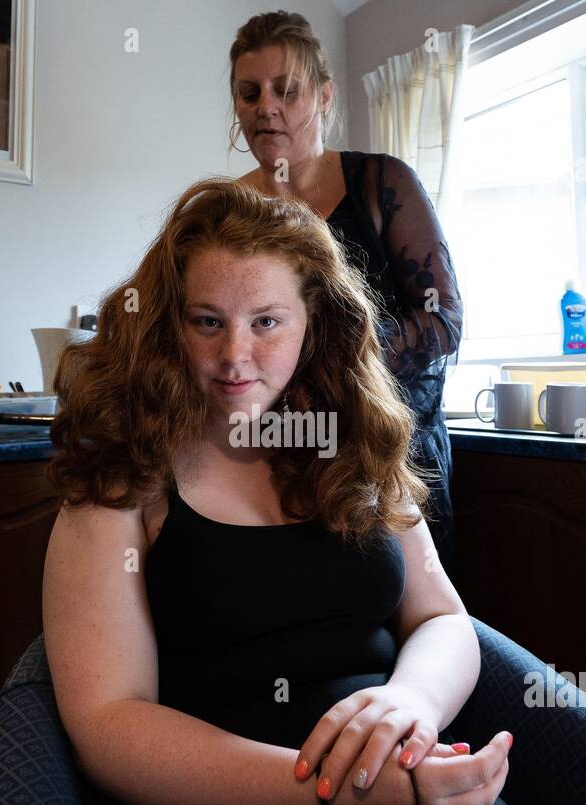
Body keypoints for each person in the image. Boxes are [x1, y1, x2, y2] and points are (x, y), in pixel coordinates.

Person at [41, 176, 586, 805]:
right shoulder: (123, 476)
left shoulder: (349, 444)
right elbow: (110, 724)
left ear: (314, 324)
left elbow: (442, 619)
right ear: (168, 323)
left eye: (266, 322)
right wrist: (343, 791)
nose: (234, 356)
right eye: (207, 321)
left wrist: (410, 702)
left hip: (408, 791)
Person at [227, 11, 461, 577]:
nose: (266, 107)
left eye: (287, 90)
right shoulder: (229, 212)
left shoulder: (383, 183)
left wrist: (333, 355)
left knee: (411, 622)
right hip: (271, 460)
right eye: (249, 92)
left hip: (392, 463)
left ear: (325, 97)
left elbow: (444, 320)